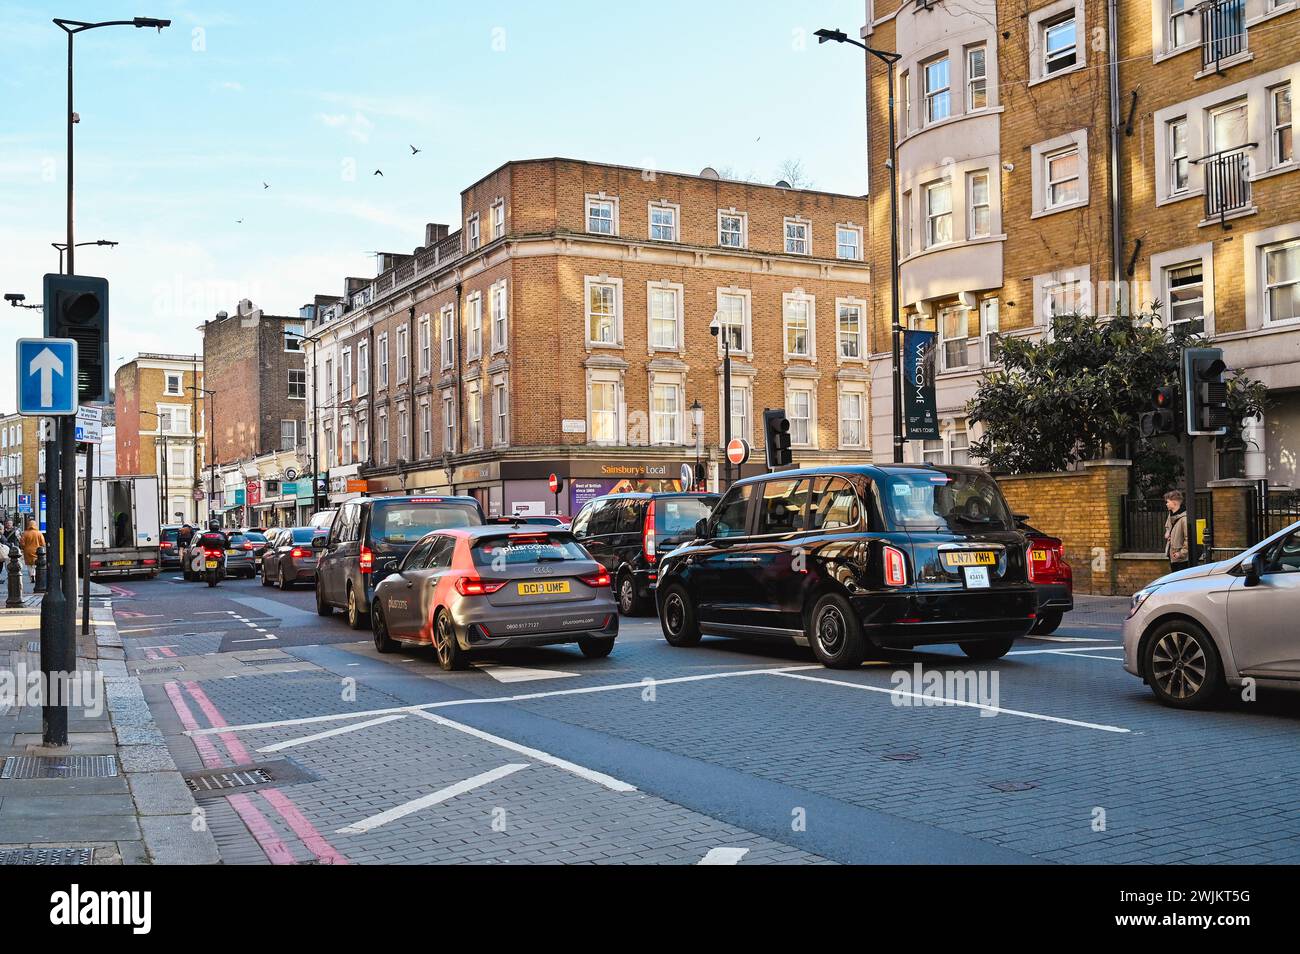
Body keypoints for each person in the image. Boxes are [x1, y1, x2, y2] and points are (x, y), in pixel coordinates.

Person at [1164, 490, 1189, 573]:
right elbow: (1168, 527)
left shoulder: (1184, 518)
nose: (1166, 504)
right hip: (1173, 555)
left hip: (1182, 559)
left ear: (1174, 502)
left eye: (1168, 502)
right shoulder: (1171, 515)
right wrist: (1168, 533)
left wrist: (1181, 553)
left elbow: (1188, 538)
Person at [20, 519, 45, 586]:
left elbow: (22, 543)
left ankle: (31, 575)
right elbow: (42, 543)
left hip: (27, 551)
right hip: (37, 551)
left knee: (29, 565)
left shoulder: (25, 533)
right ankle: (34, 574)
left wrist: (23, 548)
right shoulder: (39, 533)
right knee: (35, 564)